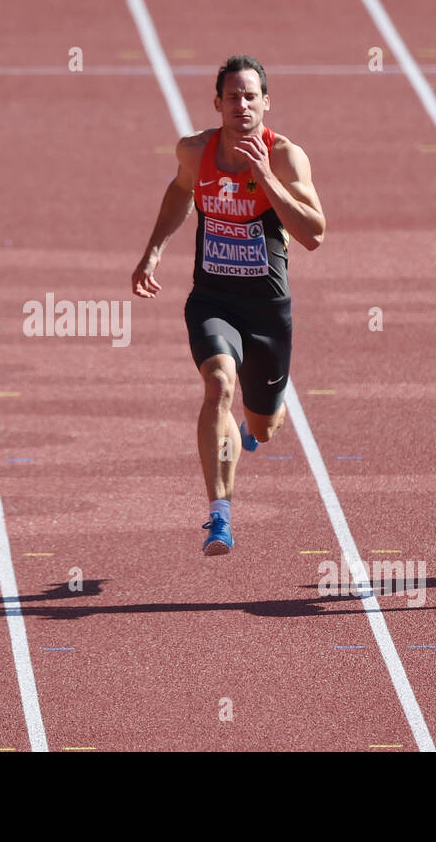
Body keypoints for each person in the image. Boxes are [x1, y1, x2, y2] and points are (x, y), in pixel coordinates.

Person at [132, 55, 326, 556]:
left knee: (264, 424)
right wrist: (154, 249)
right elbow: (179, 192)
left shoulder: (284, 157)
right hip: (212, 300)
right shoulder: (197, 151)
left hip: (267, 311)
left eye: (250, 96)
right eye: (232, 97)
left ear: (266, 102)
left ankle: (251, 428)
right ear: (217, 104)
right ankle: (220, 515)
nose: (242, 105)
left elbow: (314, 235)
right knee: (218, 382)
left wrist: (267, 180)